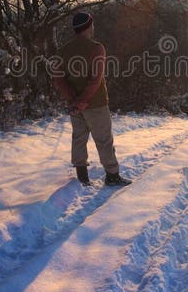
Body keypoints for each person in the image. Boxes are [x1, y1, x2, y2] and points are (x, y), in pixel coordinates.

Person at [53, 12, 131, 187]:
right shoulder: (97, 48)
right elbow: (95, 79)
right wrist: (83, 101)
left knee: (79, 137)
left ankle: (82, 177)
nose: (94, 28)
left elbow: (58, 78)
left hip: (74, 105)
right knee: (103, 139)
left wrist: (74, 100)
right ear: (88, 27)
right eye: (92, 25)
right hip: (96, 104)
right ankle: (112, 175)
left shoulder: (63, 50)